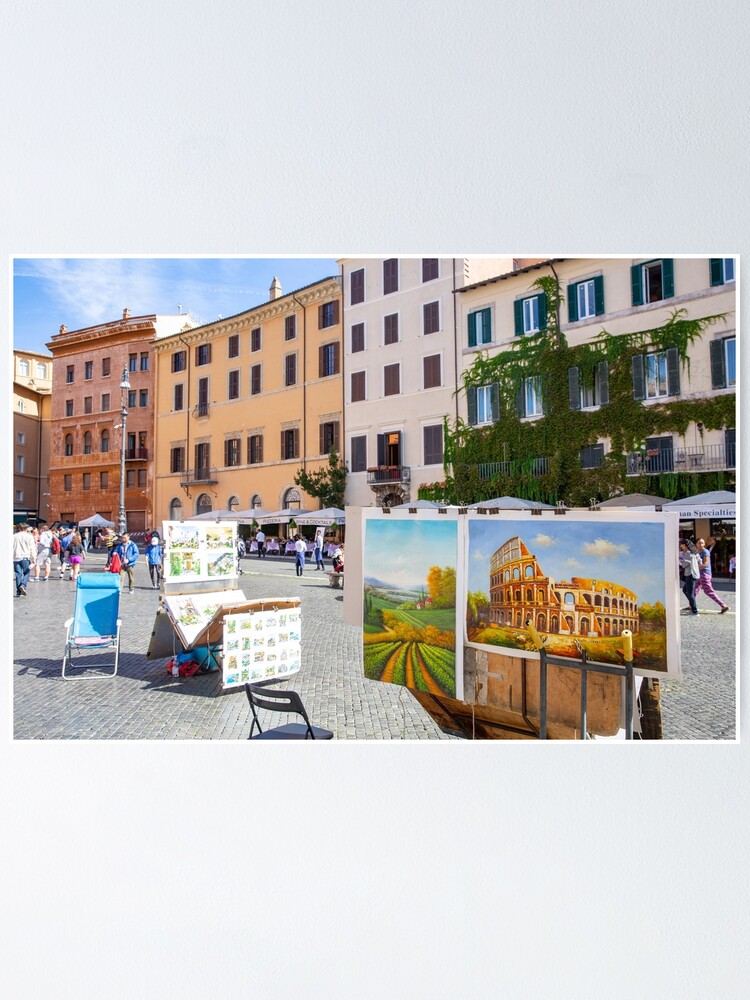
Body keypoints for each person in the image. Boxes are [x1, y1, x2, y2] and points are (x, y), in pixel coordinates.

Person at [694, 537, 729, 613]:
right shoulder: (697, 552)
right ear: (696, 544)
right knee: (695, 589)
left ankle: (723, 605)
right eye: (699, 543)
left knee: (708, 591)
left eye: (702, 543)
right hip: (700, 574)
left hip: (704, 574)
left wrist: (695, 568)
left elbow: (706, 564)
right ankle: (691, 605)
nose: (701, 544)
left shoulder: (705, 551)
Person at [13, 522, 36, 596]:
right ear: (26, 528)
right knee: (26, 572)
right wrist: (34, 558)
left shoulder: (14, 536)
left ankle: (18, 591)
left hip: (16, 557)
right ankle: (23, 585)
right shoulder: (29, 536)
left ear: (19, 528)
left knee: (18, 574)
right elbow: (32, 548)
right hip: (25, 557)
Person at [679, 541, 700, 615]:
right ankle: (693, 604)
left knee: (690, 593)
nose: (681, 546)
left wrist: (680, 561)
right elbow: (699, 562)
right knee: (685, 590)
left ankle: (695, 611)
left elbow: (685, 564)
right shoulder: (694, 552)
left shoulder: (687, 553)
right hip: (694, 574)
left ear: (685, 545)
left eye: (681, 545)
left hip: (690, 574)